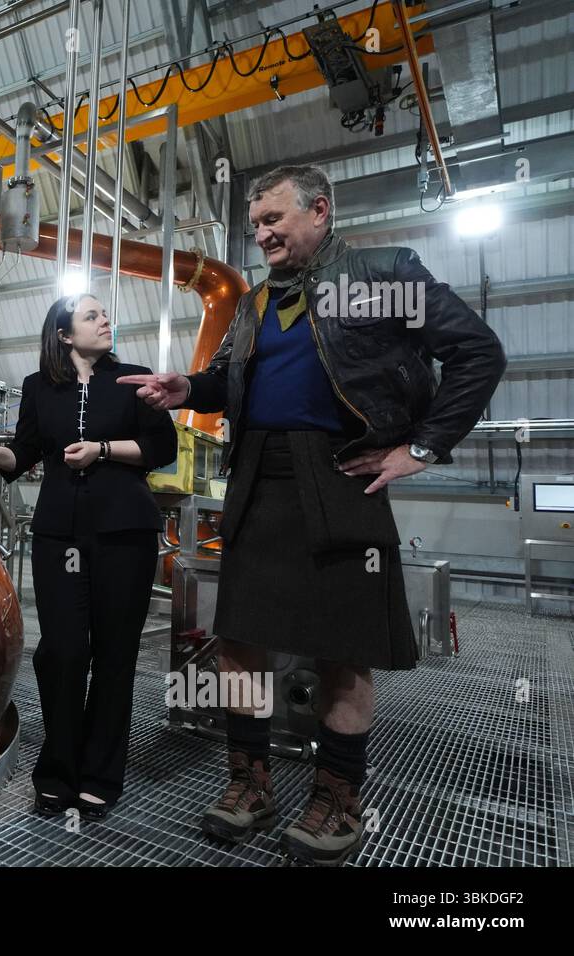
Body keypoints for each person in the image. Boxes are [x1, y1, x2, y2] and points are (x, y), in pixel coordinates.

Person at [120, 165, 506, 864]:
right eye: (255, 225)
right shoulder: (256, 301)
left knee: (343, 653)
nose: (261, 234)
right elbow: (238, 379)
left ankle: (338, 800)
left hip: (337, 477)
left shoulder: (383, 274)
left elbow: (478, 352)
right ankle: (250, 785)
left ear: (320, 211)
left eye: (273, 221)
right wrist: (189, 388)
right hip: (257, 480)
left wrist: (422, 446)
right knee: (238, 644)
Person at [0, 293, 177, 820]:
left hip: (125, 531)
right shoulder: (40, 387)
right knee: (62, 653)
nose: (106, 319)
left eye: (105, 313)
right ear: (64, 335)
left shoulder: (134, 378)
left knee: (115, 657)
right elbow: (26, 451)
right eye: (91, 316)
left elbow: (161, 449)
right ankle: (57, 772)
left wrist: (104, 450)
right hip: (59, 534)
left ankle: (102, 774)